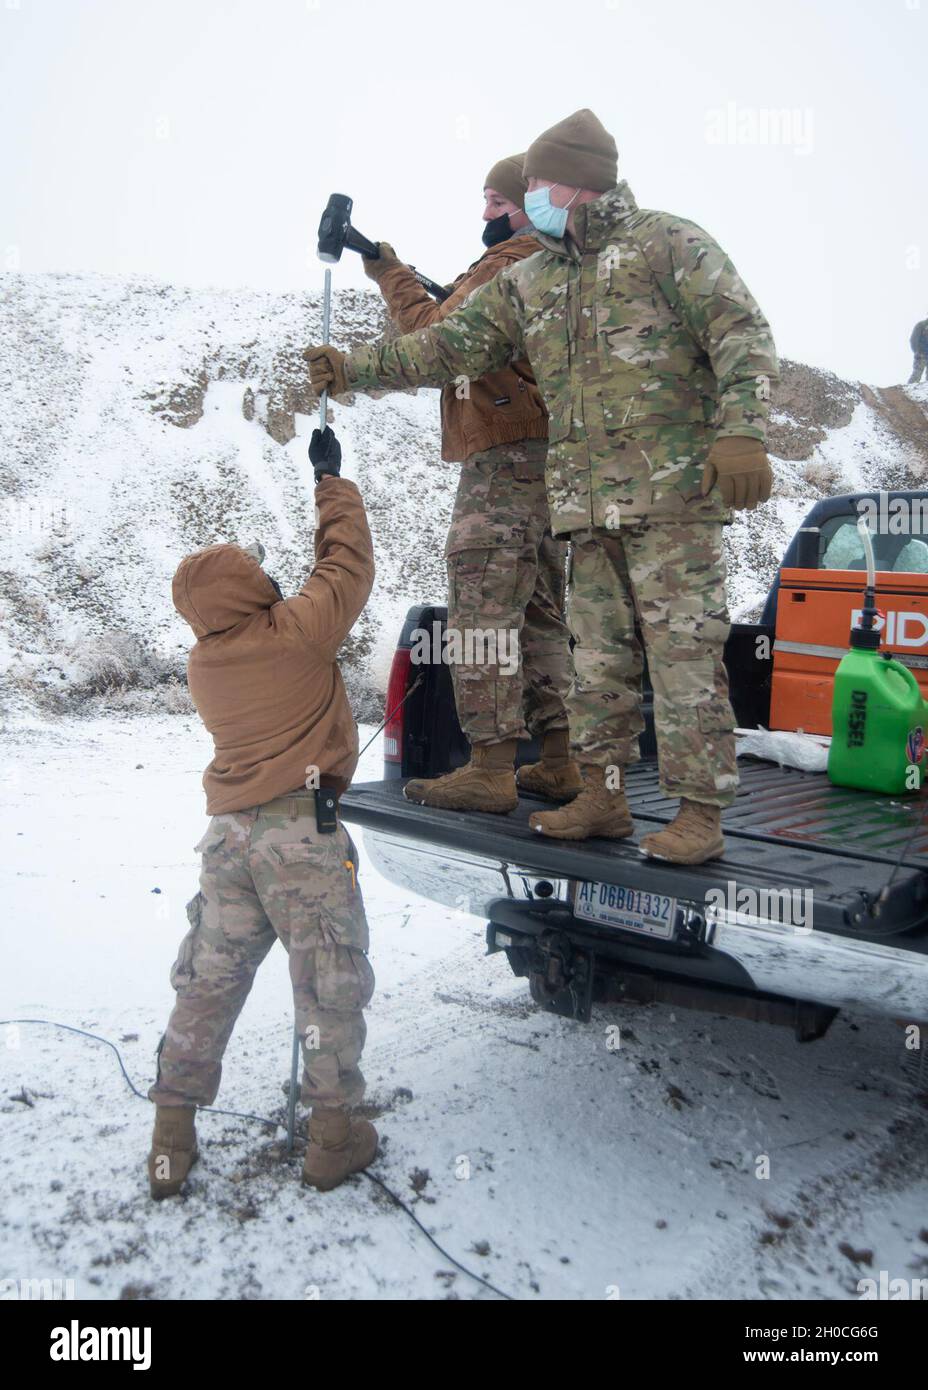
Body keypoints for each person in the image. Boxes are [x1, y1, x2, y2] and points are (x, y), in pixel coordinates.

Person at [305, 110, 779, 866]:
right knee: (601, 667)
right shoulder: (533, 278)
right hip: (583, 505)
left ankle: (698, 814)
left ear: (580, 180)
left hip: (674, 500)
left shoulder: (668, 243)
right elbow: (447, 345)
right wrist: (352, 369)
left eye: (535, 182)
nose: (526, 193)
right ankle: (605, 794)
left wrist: (743, 430)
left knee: (683, 657)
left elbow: (740, 333)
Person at [147, 427, 378, 1197]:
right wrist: (330, 481)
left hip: (229, 842)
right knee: (327, 987)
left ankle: (171, 1137)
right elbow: (345, 563)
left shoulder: (204, 661)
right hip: (298, 838)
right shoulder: (294, 633)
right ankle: (333, 1137)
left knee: (207, 982)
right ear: (248, 590)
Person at [360, 154, 578, 813]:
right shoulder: (555, 260)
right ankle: (564, 760)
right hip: (549, 456)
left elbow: (435, 336)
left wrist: (387, 275)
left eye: (493, 199)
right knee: (539, 607)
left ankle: (489, 768)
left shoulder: (515, 255)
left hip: (507, 454)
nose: (484, 213)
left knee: (483, 598)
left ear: (520, 203)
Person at [909, 316, 928, 384]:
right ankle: (909, 391)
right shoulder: (921, 325)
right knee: (916, 376)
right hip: (921, 355)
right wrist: (916, 352)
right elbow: (913, 340)